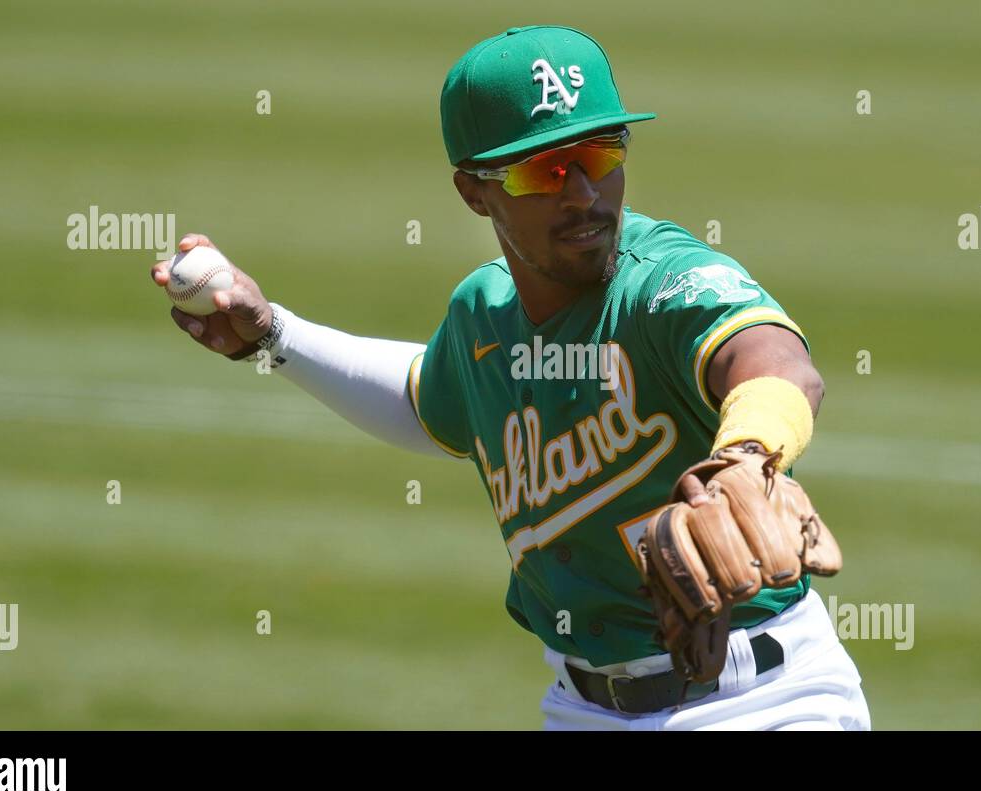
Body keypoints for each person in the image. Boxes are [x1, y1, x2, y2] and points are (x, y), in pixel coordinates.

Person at [149, 25, 870, 730]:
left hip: (769, 700)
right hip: (581, 707)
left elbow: (777, 362)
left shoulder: (666, 282)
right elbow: (424, 398)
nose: (585, 194)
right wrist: (273, 336)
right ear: (474, 191)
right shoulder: (482, 316)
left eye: (601, 151)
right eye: (545, 171)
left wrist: (747, 455)